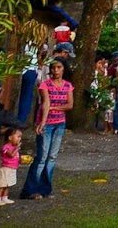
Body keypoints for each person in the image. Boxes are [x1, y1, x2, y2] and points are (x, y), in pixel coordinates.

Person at [19, 57, 73, 199]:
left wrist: (54, 107)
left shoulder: (68, 86)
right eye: (54, 67)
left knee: (52, 157)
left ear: (63, 69)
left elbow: (70, 105)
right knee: (42, 157)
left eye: (59, 67)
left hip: (60, 123)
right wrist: (42, 122)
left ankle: (45, 188)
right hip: (47, 123)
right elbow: (45, 104)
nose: (56, 70)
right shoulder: (45, 85)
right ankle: (31, 189)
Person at [0, 126, 22, 207]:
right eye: (18, 136)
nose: (20, 139)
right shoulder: (5, 147)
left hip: (12, 168)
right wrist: (17, 148)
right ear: (10, 137)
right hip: (6, 169)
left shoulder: (13, 147)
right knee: (2, 184)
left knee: (8, 184)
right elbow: (11, 155)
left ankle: (5, 197)